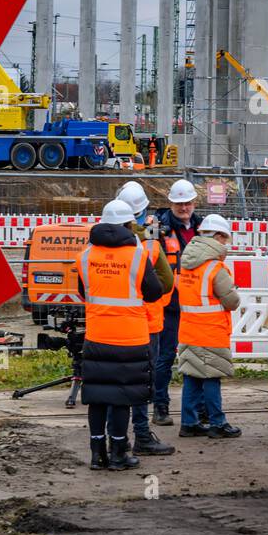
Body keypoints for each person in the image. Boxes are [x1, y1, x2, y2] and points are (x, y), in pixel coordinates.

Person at [76, 199, 165, 471]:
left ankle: (96, 453)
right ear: (129, 225)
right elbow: (153, 292)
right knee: (121, 398)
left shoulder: (85, 256)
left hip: (97, 335)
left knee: (97, 396)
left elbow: (83, 291)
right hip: (131, 339)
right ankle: (118, 453)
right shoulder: (137, 256)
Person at [116, 180, 176, 456]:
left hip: (112, 324)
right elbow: (164, 280)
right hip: (147, 323)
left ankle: (115, 438)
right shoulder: (149, 243)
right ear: (142, 211)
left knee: (116, 382)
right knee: (141, 381)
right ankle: (141, 433)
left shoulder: (102, 245)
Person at [176, 214, 243, 439]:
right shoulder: (215, 268)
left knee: (191, 377)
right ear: (217, 236)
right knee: (212, 378)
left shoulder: (186, 264)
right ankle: (217, 422)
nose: (225, 244)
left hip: (188, 329)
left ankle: (188, 423)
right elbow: (232, 302)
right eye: (224, 239)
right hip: (211, 330)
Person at [151, 178, 203, 425]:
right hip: (171, 304)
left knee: (198, 355)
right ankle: (160, 406)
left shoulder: (203, 226)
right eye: (179, 203)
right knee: (165, 357)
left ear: (195, 202)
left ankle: (199, 408)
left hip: (197, 303)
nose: (184, 207)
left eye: (188, 203)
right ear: (171, 203)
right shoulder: (159, 228)